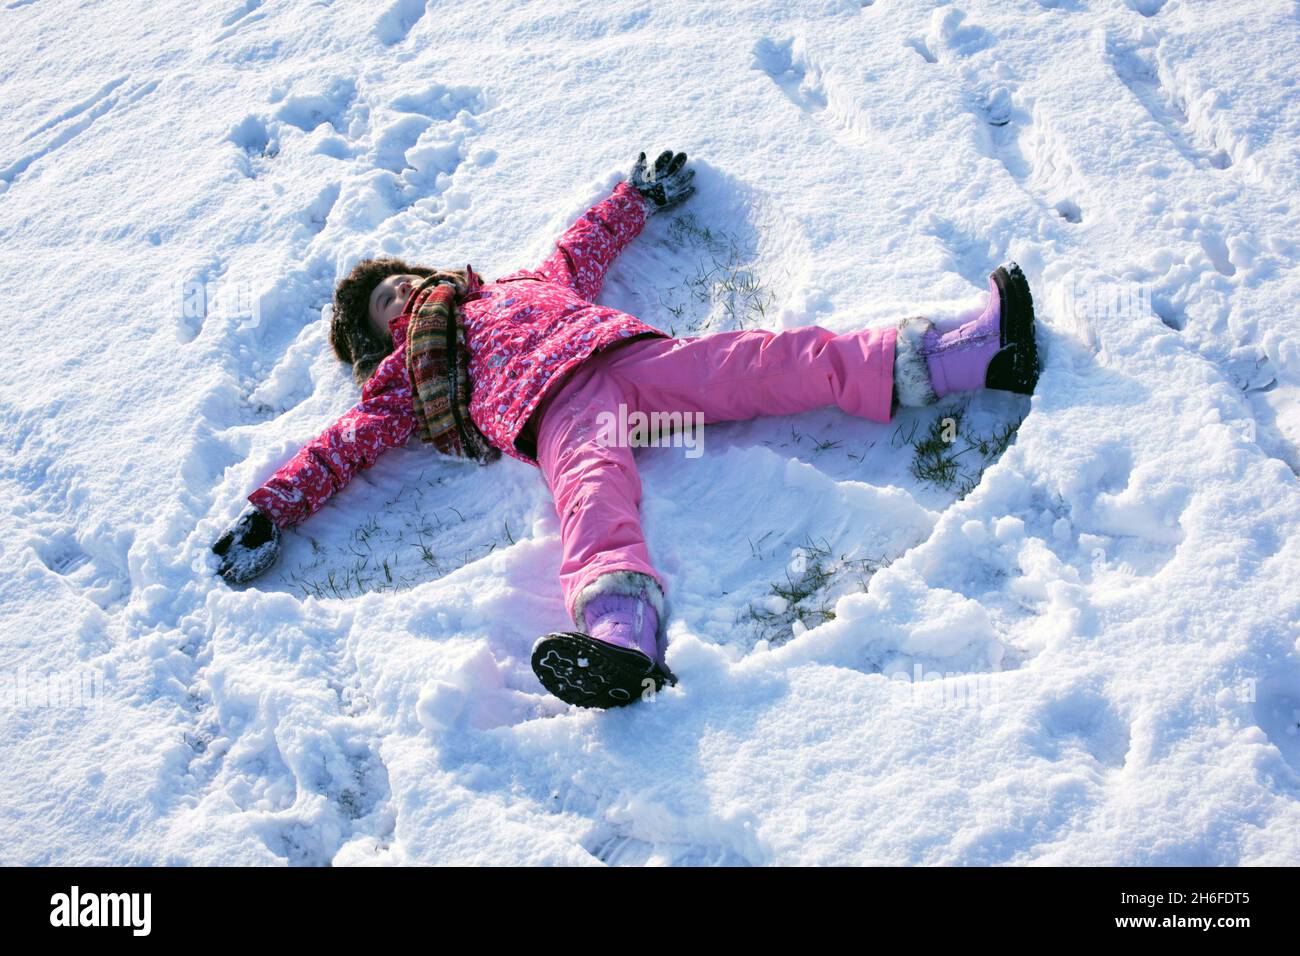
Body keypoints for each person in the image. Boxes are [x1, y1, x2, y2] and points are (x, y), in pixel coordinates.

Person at [212, 149, 1039, 709]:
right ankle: (619, 639)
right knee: (593, 501)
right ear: (377, 338)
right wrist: (271, 509)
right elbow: (339, 448)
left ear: (427, 272)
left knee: (770, 363)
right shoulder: (406, 383)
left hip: (639, 369)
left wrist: (636, 196)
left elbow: (584, 245)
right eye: (383, 303)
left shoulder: (519, 286)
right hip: (565, 417)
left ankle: (970, 355)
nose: (398, 296)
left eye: (399, 281)